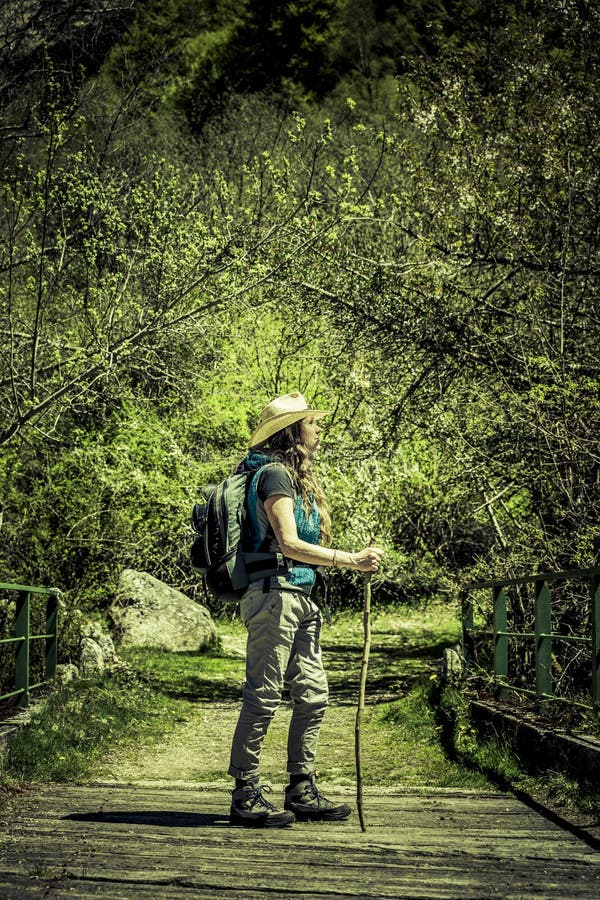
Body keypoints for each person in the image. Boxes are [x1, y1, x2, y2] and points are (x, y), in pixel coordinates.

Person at [228, 391, 384, 828]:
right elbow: (289, 543)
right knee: (263, 695)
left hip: (300, 598)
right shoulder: (274, 476)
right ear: (292, 432)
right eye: (312, 422)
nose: (318, 429)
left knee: (313, 694)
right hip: (273, 597)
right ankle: (245, 791)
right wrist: (350, 559)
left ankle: (301, 787)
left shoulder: (293, 478)